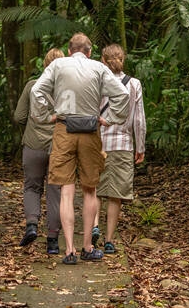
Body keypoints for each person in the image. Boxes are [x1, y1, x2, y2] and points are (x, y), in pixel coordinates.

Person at [31, 32, 129, 264]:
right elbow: (122, 94)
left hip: (64, 129)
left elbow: (37, 91)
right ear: (89, 51)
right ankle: (87, 247)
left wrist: (46, 116)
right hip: (90, 130)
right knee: (90, 189)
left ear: (68, 50)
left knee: (66, 190)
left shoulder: (57, 65)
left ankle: (69, 251)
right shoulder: (98, 68)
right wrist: (111, 118)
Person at [14, 47, 65, 254]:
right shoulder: (67, 91)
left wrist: (32, 126)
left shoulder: (32, 86)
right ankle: (52, 240)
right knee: (56, 190)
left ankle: (32, 225)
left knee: (32, 187)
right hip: (59, 145)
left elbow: (19, 116)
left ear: (44, 65)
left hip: (33, 144)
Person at [95, 43, 145, 254]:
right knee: (115, 195)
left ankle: (94, 227)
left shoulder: (97, 83)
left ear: (103, 61)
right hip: (123, 144)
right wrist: (140, 146)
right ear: (122, 60)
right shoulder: (133, 84)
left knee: (95, 190)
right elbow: (139, 119)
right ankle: (108, 240)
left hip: (98, 143)